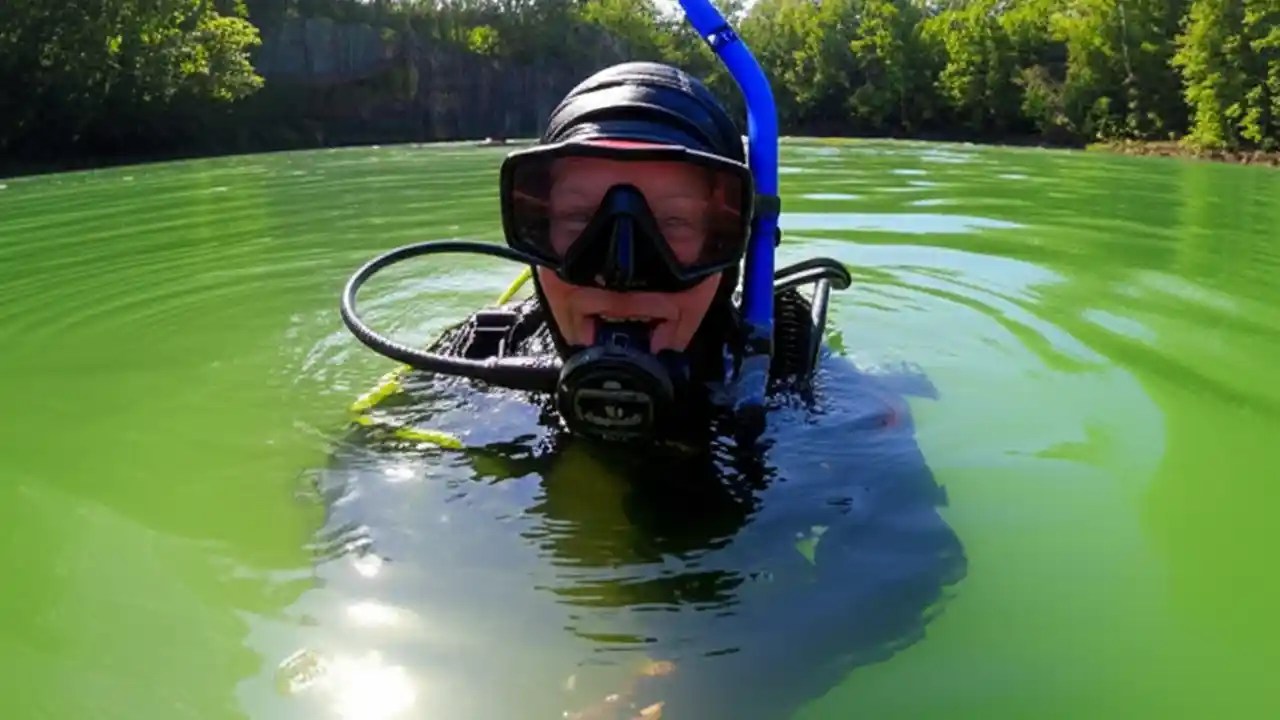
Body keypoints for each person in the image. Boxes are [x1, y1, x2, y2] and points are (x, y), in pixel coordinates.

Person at [310, 61, 966, 720]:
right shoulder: (482, 355)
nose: (622, 267)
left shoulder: (790, 377)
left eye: (675, 225)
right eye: (577, 219)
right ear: (534, 235)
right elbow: (350, 501)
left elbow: (911, 559)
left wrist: (740, 673)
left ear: (732, 244)